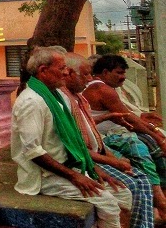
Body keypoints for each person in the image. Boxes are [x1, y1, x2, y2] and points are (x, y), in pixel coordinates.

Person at [12, 46, 132, 228]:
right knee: (107, 202)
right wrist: (75, 177)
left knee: (123, 193)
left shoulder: (58, 96)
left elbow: (73, 140)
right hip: (44, 177)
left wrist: (94, 170)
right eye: (61, 68)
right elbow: (33, 152)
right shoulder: (31, 101)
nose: (66, 72)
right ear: (43, 70)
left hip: (71, 167)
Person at [62, 52, 153, 228]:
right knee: (131, 184)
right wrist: (112, 162)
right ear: (68, 74)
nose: (89, 79)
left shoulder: (79, 98)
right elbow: (76, 148)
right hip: (82, 163)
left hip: (96, 155)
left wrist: (113, 158)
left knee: (142, 178)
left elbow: (94, 136)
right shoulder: (63, 101)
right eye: (86, 74)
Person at [83, 54, 166, 217]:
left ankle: (161, 200)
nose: (123, 78)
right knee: (141, 150)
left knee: (154, 149)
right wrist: (157, 136)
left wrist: (155, 134)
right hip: (105, 138)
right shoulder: (102, 88)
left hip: (115, 134)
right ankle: (161, 203)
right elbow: (129, 118)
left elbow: (130, 116)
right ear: (105, 72)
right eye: (119, 73)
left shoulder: (108, 88)